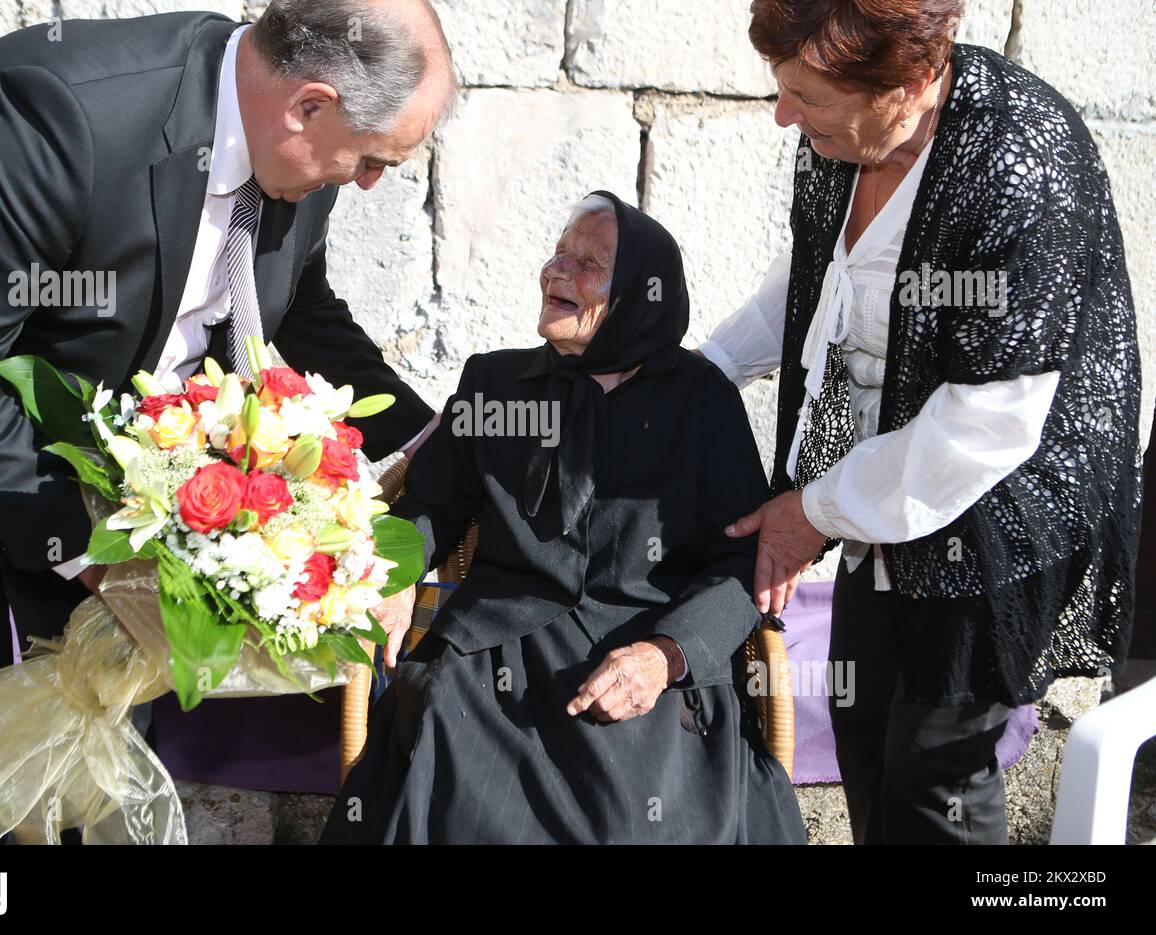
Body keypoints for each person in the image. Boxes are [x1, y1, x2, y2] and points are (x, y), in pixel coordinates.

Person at [0, 0, 454, 842]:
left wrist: (438, 442)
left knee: (99, 811)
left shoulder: (292, 157)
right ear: (309, 105)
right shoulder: (54, 111)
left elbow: (296, 306)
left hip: (116, 533)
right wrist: (98, 558)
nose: (366, 182)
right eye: (370, 160)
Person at [699, 0, 1142, 844]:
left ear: (905, 87)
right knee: (864, 728)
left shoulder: (1018, 161)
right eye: (782, 89)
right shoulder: (842, 138)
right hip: (882, 483)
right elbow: (808, 280)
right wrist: (702, 371)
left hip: (1001, 501)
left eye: (806, 97)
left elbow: (987, 421)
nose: (785, 114)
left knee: (937, 769)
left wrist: (810, 512)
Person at [321, 192, 807, 844]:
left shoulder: (702, 402)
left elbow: (742, 556)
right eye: (558, 253)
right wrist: (401, 574)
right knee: (461, 791)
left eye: (588, 263)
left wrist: (669, 655)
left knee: (647, 818)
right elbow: (427, 504)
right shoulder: (494, 385)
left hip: (647, 654)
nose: (557, 271)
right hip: (499, 654)